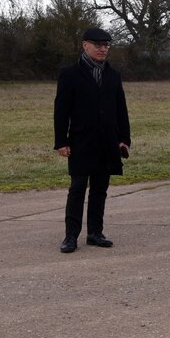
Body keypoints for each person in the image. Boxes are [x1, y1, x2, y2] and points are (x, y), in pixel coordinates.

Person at [53, 27, 131, 254]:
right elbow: (61, 111)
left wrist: (124, 139)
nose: (103, 49)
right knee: (77, 189)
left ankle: (95, 233)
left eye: (106, 45)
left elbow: (121, 110)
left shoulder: (113, 75)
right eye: (98, 45)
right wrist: (61, 141)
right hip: (80, 142)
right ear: (85, 45)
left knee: (100, 189)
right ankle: (70, 236)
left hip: (107, 142)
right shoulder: (69, 74)